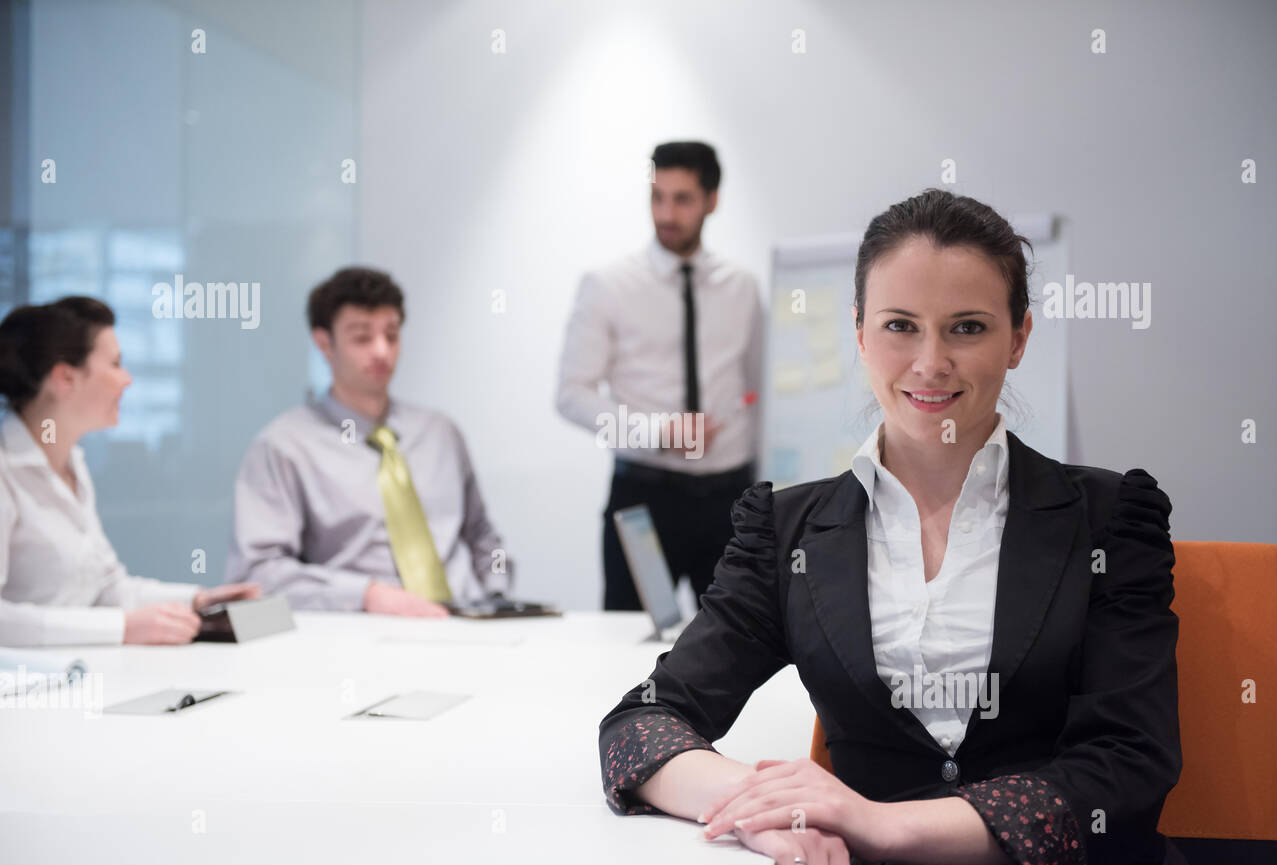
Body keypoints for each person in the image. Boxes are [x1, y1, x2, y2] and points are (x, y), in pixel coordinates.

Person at [597, 189, 1182, 865]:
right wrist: (762, 807)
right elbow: (640, 724)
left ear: (1019, 337)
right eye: (900, 325)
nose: (930, 362)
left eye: (967, 327)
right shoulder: (786, 533)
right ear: (859, 334)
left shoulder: (1111, 518)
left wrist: (880, 823)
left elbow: (1130, 762)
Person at [225, 266, 512, 615]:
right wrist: (367, 596)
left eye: (391, 335)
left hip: (466, 624)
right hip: (357, 636)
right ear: (324, 343)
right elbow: (258, 574)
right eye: (362, 337)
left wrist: (498, 596)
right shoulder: (283, 446)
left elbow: (483, 537)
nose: (381, 351)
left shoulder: (441, 434)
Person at [556, 141, 765, 610]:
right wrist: (658, 433)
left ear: (712, 200)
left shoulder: (742, 289)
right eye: (657, 197)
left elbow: (759, 391)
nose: (666, 213)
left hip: (730, 501)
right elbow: (571, 394)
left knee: (741, 641)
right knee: (630, 640)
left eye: (683, 198)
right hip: (645, 500)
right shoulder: (608, 286)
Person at [0, 297, 260, 647]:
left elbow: (107, 587)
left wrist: (196, 600)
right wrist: (122, 629)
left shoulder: (72, 464)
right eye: (116, 364)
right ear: (64, 378)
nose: (127, 379)